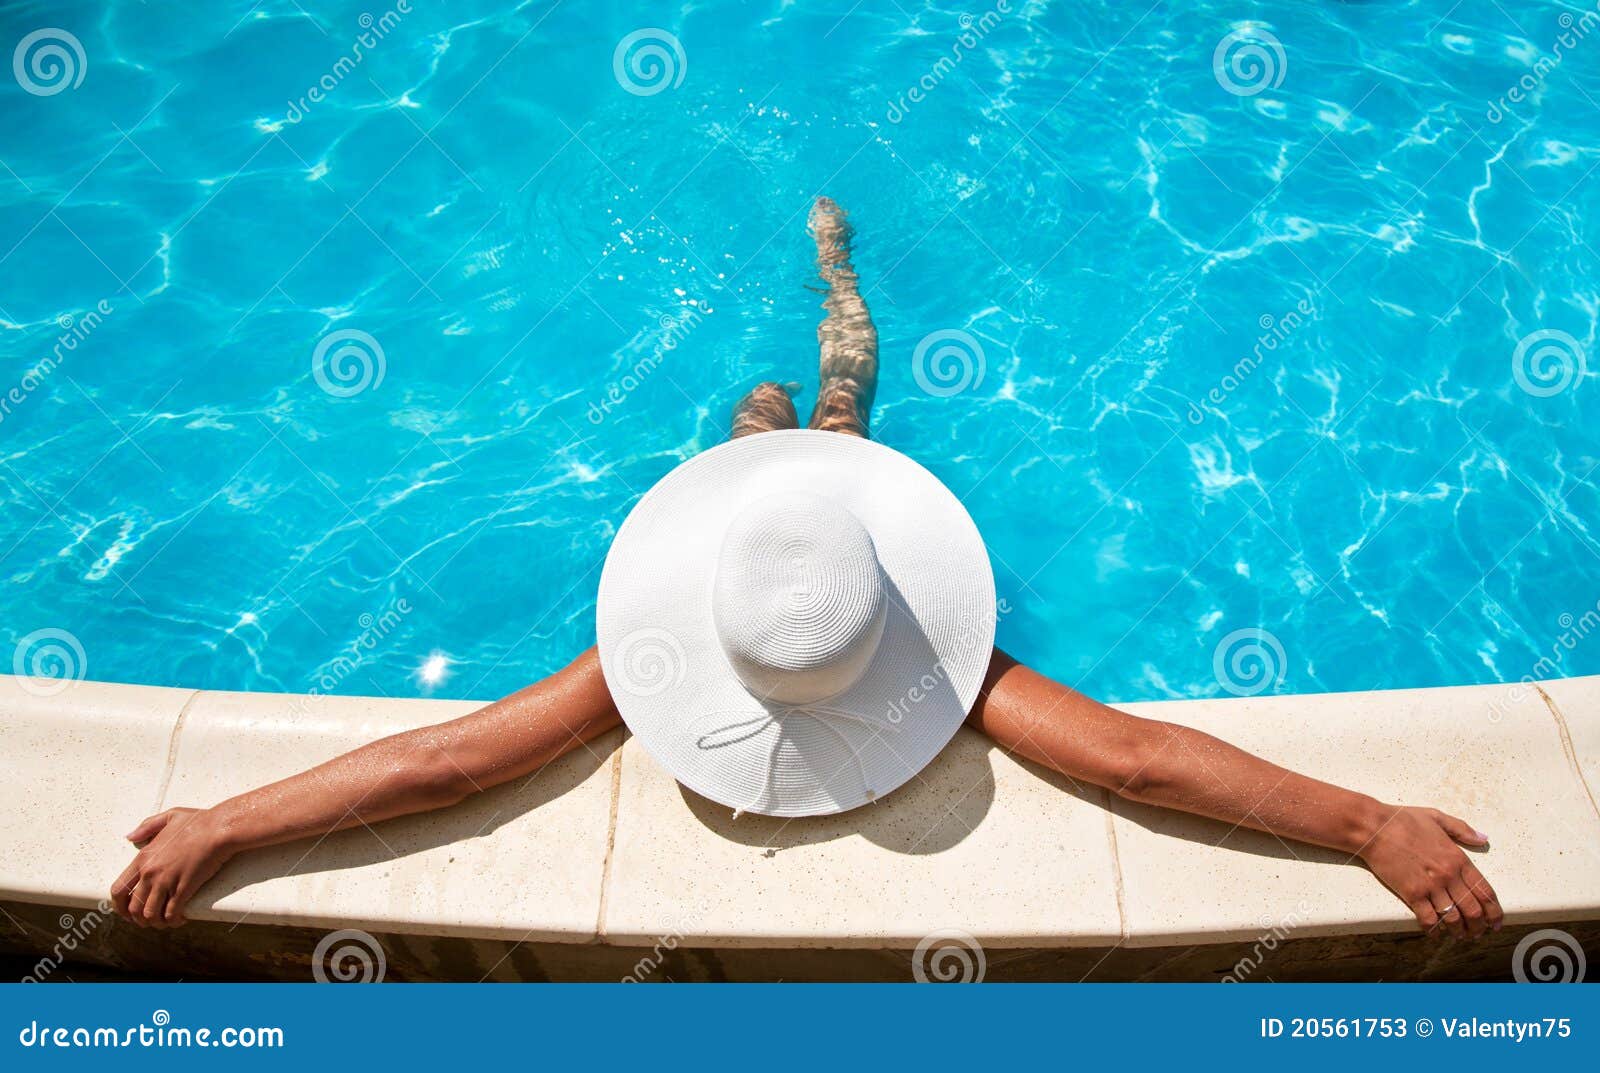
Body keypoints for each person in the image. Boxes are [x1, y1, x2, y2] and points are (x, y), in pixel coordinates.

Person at [111, 198, 1501, 941]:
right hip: (792, 541)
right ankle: (823, 325)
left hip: (777, 540)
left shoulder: (635, 667)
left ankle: (823, 313)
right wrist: (1361, 823)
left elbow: (451, 764)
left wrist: (229, 823)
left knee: (808, 416)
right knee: (829, 416)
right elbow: (1130, 761)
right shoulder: (936, 672)